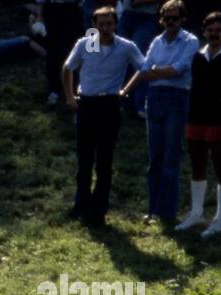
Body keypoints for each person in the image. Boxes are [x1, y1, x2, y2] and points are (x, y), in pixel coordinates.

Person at [64, 7, 147, 227]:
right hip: (86, 103)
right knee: (84, 160)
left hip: (109, 104)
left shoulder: (125, 46)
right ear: (95, 25)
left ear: (116, 24)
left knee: (104, 161)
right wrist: (70, 97)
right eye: (101, 24)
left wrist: (126, 90)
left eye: (109, 23)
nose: (105, 28)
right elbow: (67, 68)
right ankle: (81, 205)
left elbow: (144, 67)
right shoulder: (86, 44)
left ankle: (99, 210)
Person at [121, 2, 198, 224]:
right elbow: (145, 69)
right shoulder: (157, 40)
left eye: (175, 18)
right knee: (155, 158)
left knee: (171, 157)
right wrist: (126, 91)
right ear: (161, 19)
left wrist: (156, 73)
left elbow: (180, 68)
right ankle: (153, 209)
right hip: (154, 99)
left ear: (182, 19)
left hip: (176, 98)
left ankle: (167, 212)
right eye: (167, 18)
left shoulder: (190, 41)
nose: (170, 22)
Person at [179, 11, 221, 236]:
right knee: (197, 164)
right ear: (204, 32)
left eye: (218, 31)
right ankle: (196, 214)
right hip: (196, 116)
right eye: (210, 30)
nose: (214, 34)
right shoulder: (198, 56)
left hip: (219, 118)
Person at [119, 0, 164, 117]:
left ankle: (140, 105)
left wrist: (140, 1)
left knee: (139, 61)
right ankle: (123, 102)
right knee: (122, 58)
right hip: (126, 14)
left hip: (146, 17)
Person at [41, 1, 87, 105]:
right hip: (52, 7)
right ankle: (54, 90)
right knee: (53, 53)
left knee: (72, 51)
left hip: (72, 8)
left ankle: (73, 91)